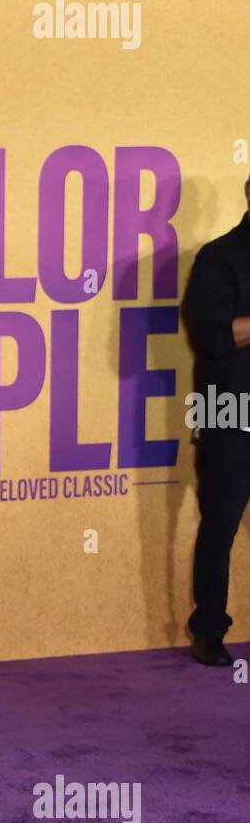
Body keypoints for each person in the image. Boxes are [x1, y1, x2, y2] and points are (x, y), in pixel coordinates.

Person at [181, 175, 250, 666]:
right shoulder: (218, 257)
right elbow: (213, 336)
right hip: (229, 411)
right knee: (220, 523)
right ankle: (209, 630)